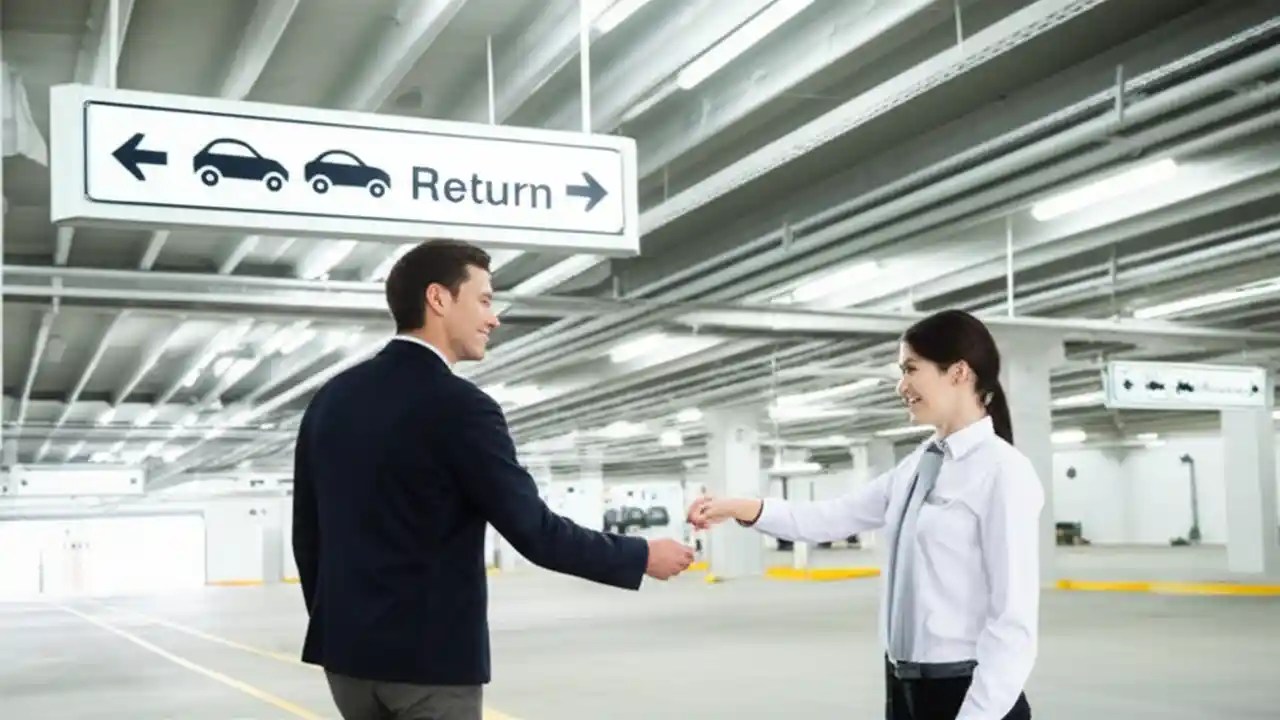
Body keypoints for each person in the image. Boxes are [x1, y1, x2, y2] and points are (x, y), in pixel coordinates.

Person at [292, 238, 695, 720]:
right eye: (484, 299)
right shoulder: (461, 406)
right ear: (438, 299)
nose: (494, 317)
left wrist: (339, 625)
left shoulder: (331, 399)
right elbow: (534, 531)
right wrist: (641, 555)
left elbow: (308, 536)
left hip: (346, 663)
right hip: (429, 667)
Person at [688, 309, 1042, 720]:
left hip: (968, 693)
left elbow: (1012, 621)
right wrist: (738, 507)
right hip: (906, 689)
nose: (901, 386)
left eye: (911, 369)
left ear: (958, 372)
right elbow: (832, 517)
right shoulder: (919, 465)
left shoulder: (1003, 471)